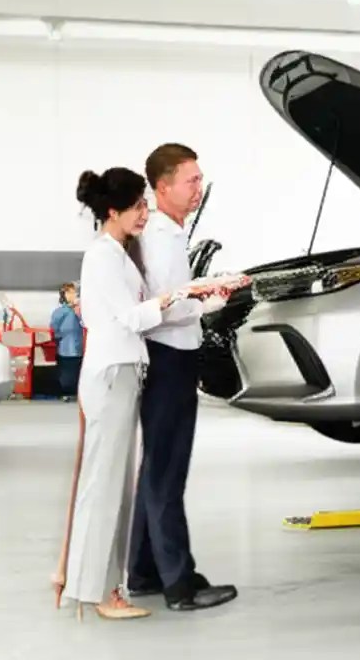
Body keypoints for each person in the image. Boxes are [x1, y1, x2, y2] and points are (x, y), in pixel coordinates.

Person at [54, 167, 224, 620]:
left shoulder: (119, 254)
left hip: (126, 371)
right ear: (113, 211)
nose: (144, 214)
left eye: (145, 205)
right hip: (111, 374)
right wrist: (178, 296)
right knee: (103, 489)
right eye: (137, 207)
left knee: (116, 489)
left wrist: (195, 297)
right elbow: (130, 317)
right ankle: (97, 593)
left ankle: (105, 587)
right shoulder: (103, 258)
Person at [125, 143, 238, 611]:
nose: (198, 188)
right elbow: (165, 306)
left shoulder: (166, 231)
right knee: (167, 475)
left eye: (199, 179)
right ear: (162, 186)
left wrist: (204, 295)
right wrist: (213, 298)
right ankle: (180, 584)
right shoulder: (160, 236)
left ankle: (145, 571)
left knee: (157, 468)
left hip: (170, 358)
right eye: (190, 181)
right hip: (169, 359)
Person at [51, 283, 84, 402]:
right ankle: (66, 392)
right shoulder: (60, 312)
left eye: (74, 292)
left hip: (80, 347)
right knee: (66, 373)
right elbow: (54, 328)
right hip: (65, 349)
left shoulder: (81, 311)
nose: (73, 294)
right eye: (69, 292)